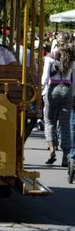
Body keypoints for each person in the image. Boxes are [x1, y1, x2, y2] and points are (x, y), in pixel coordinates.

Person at [41, 32, 75, 167]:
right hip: (66, 89)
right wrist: (72, 95)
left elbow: (45, 78)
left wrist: (40, 92)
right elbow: (74, 81)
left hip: (52, 89)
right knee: (65, 123)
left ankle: (52, 149)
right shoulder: (73, 58)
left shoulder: (50, 57)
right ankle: (66, 156)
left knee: (49, 120)